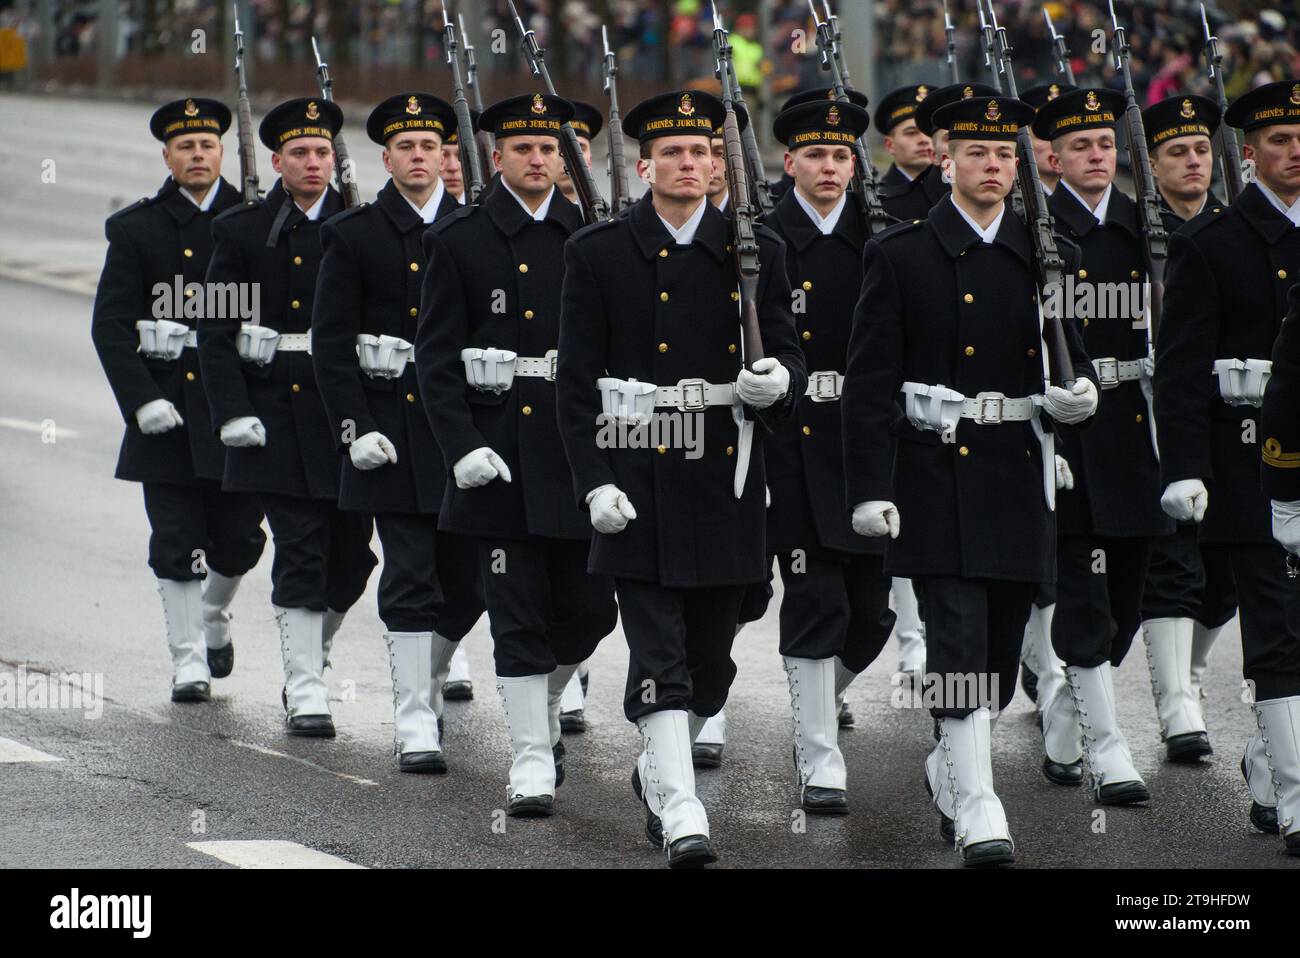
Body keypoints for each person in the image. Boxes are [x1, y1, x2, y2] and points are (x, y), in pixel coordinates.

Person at [843, 94, 1097, 865]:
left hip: (1017, 473)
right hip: (934, 471)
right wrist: (870, 487)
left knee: (991, 665)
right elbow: (869, 381)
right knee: (953, 642)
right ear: (945, 160)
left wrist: (1080, 393)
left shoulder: (1048, 254)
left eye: (1004, 156)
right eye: (978, 154)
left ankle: (949, 760)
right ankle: (981, 801)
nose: (993, 167)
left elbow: (1071, 354)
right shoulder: (900, 253)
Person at [557, 89, 806, 867]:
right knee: (656, 647)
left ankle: (654, 769)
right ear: (644, 166)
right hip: (637, 472)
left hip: (724, 476)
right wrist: (593, 481)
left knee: (713, 658)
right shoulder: (597, 253)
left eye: (701, 152)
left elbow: (794, 352)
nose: (689, 164)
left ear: (719, 166)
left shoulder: (755, 247)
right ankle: (681, 806)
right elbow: (577, 381)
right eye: (674, 153)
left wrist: (779, 380)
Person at [416, 93, 618, 818]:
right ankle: (531, 756)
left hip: (576, 459)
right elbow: (434, 361)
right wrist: (460, 447)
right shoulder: (460, 240)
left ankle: (548, 700)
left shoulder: (593, 237)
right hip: (496, 461)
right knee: (515, 612)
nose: (539, 160)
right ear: (495, 156)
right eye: (525, 148)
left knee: (593, 609)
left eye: (550, 149)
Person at [311, 93, 485, 771]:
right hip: (390, 432)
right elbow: (330, 345)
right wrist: (354, 429)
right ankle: (414, 717)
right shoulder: (353, 236)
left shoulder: (475, 228)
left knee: (467, 584)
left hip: (464, 430)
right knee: (409, 573)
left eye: (430, 146)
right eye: (406, 147)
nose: (419, 157)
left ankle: (432, 679)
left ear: (448, 155)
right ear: (386, 159)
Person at [201, 97, 377, 737]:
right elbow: (214, 332)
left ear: (336, 159)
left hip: (345, 413)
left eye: (322, 152)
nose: (312, 163)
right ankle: (306, 685)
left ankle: (313, 650)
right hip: (274, 410)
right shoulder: (242, 231)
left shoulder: (361, 226)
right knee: (299, 546)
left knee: (354, 558)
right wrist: (231, 412)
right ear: (276, 161)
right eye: (299, 153)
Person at [1156, 80, 1300, 853]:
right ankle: (1298, 793)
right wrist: (1184, 467)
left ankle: (1269, 756)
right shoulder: (1211, 243)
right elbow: (1180, 373)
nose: (1296, 150)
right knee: (1276, 629)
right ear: (1248, 156)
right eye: (1279, 140)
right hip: (1248, 464)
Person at [91, 97, 266, 703]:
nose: (198, 154)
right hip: (166, 405)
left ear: (223, 152)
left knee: (241, 538)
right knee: (176, 537)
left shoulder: (256, 221)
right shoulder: (138, 227)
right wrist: (140, 400)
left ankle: (214, 613)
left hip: (237, 404)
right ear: (167, 155)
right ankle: (188, 658)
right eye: (186, 146)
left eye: (208, 144)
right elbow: (111, 327)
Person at [1031, 88, 1165, 802]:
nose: (1095, 155)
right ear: (1051, 157)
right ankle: (1109, 752)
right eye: (1080, 146)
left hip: (1136, 429)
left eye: (1105, 145)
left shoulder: (1144, 227)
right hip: (1071, 429)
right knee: (1083, 598)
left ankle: (1063, 716)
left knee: (1127, 604)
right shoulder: (1037, 230)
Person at [764, 97, 895, 814]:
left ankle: (818, 700)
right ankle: (819, 752)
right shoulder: (761, 238)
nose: (829, 168)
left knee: (872, 616)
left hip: (865, 440)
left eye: (841, 155)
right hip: (790, 442)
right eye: (815, 155)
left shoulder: (881, 236)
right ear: (789, 163)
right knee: (812, 600)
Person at [1136, 93, 1235, 763]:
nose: (1194, 161)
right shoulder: (1130, 232)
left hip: (1225, 415)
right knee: (1170, 557)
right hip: (1142, 410)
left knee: (1223, 568)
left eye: (1202, 149)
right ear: (1152, 164)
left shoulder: (1234, 230)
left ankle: (1190, 675)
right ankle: (1176, 706)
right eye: (1178, 152)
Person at [873, 84, 941, 222]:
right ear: (890, 145)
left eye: (929, 132)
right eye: (911, 133)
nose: (924, 140)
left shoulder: (954, 192)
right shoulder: (877, 200)